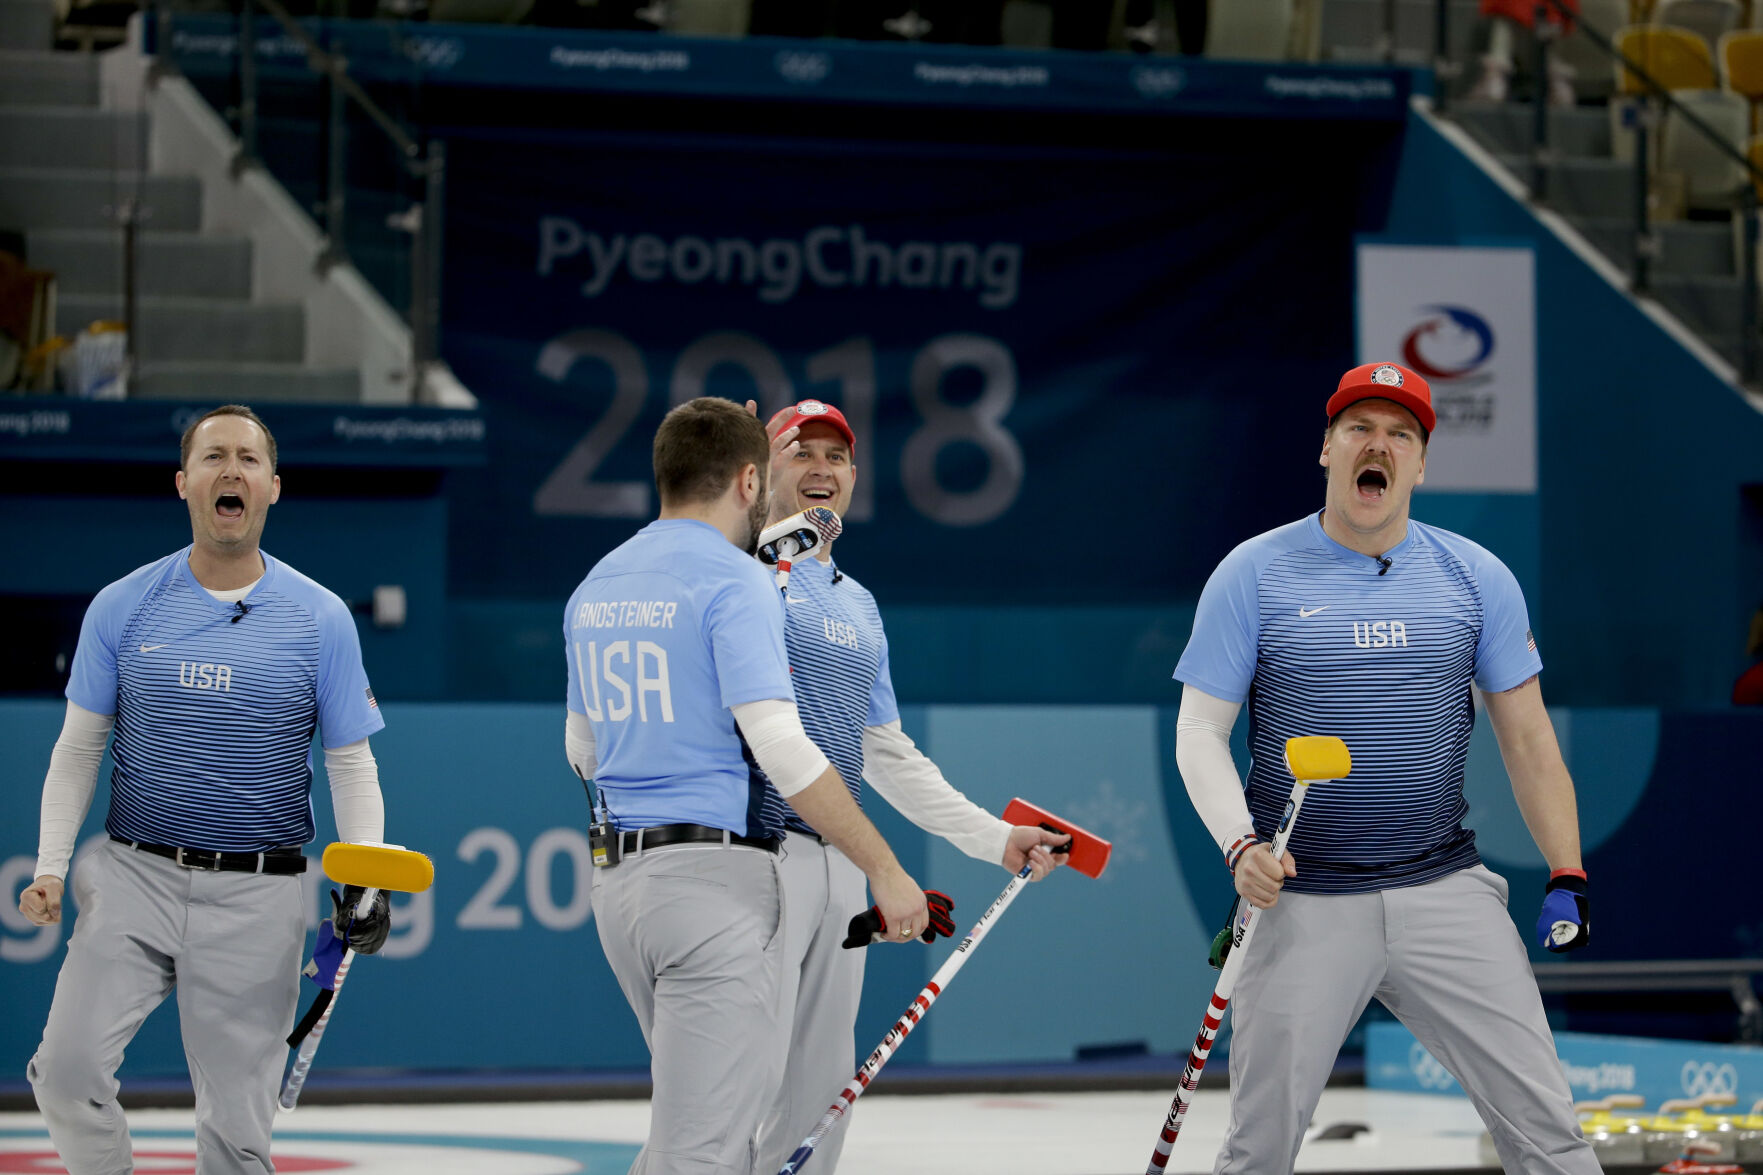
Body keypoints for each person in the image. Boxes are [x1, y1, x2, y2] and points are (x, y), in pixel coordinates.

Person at [1172, 363, 1596, 1175]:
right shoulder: (1253, 572)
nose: (1380, 445)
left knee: (1551, 1134)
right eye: (1359, 428)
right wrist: (1238, 843)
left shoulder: (1476, 577)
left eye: (1401, 434)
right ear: (1327, 449)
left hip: (1444, 889)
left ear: (1421, 463)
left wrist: (1565, 870)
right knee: (1257, 1149)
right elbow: (1199, 730)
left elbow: (1529, 740)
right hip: (1301, 898)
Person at [18, 404, 393, 1175]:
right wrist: (52, 864)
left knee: (235, 1140)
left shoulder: (320, 618)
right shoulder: (122, 604)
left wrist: (364, 873)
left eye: (248, 459)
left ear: (273, 487)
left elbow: (351, 763)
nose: (232, 470)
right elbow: (80, 744)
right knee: (64, 1074)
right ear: (183, 481)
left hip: (260, 896)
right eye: (214, 456)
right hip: (134, 878)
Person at [563, 396, 929, 1175]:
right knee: (707, 1148)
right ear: (749, 479)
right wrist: (888, 869)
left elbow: (582, 749)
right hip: (715, 883)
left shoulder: (595, 583)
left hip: (619, 885)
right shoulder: (738, 583)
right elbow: (784, 752)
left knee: (688, 1131)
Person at [748, 399, 1071, 1175]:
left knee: (822, 1096)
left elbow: (885, 755)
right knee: (727, 1086)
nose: (822, 468)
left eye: (837, 456)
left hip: (838, 860)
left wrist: (994, 838)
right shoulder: (737, 567)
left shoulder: (858, 604)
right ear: (762, 471)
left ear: (855, 477)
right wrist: (753, 524)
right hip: (750, 854)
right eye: (801, 452)